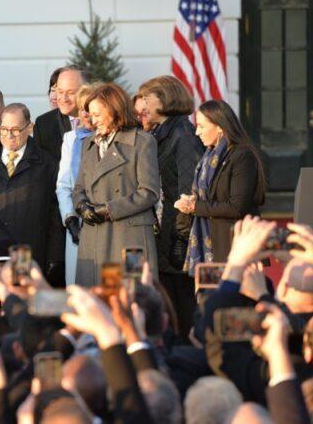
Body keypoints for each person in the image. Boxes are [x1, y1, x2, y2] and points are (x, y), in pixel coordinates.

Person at [72, 83, 160, 286]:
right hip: (94, 236)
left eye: (97, 114)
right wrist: (82, 206)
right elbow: (79, 187)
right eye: (90, 115)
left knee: (130, 300)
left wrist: (108, 209)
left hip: (128, 236)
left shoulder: (142, 142)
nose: (92, 121)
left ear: (114, 110)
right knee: (96, 302)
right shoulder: (88, 144)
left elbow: (149, 192)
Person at [138, 75, 204, 337]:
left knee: (182, 306)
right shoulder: (160, 133)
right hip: (164, 232)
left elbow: (188, 192)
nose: (142, 105)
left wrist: (179, 236)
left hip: (177, 236)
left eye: (147, 98)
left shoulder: (183, 135)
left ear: (164, 99)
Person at [0, 103, 64, 284]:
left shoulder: (47, 164)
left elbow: (55, 215)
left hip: (28, 251)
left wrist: (55, 258)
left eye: (15, 129)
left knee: (23, 304)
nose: (9, 136)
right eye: (4, 129)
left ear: (29, 128)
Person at [174, 100, 266, 273]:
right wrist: (190, 203)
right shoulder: (207, 156)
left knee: (233, 299)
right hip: (207, 245)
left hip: (233, 247)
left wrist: (195, 207)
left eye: (201, 126)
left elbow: (237, 207)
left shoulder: (242, 155)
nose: (197, 132)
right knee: (207, 299)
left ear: (220, 126)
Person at [56, 83, 98, 285]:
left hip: (105, 222)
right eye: (83, 109)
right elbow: (64, 185)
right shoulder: (71, 139)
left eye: (92, 110)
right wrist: (70, 218)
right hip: (78, 225)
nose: (87, 115)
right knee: (78, 288)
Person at [34, 65, 86, 160]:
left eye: (70, 92)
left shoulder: (99, 120)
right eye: (60, 92)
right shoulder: (43, 124)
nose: (64, 99)